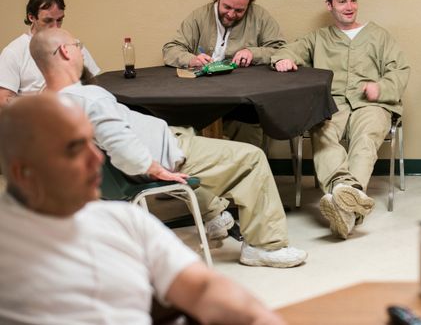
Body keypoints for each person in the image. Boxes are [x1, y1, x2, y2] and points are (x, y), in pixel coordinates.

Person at [0, 93, 286, 324]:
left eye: (92, 140)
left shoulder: (125, 221)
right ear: (24, 173)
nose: (97, 157)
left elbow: (204, 288)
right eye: (75, 148)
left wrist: (260, 318)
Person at [31, 28, 306, 268]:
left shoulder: (48, 103)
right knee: (251, 157)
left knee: (203, 136)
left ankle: (214, 215)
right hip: (165, 153)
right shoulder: (87, 97)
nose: (81, 52)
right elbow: (119, 143)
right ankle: (265, 246)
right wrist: (154, 169)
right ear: (66, 52)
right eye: (78, 46)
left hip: (157, 147)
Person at [271, 0, 410, 239]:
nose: (350, 7)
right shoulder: (318, 38)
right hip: (332, 104)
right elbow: (286, 50)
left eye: (353, 0)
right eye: (342, 1)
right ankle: (347, 194)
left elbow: (400, 70)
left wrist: (381, 87)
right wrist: (284, 59)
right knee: (322, 133)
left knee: (366, 137)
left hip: (372, 104)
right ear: (329, 5)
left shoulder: (379, 35)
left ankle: (344, 202)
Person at [162, 0, 288, 146]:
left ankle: (246, 167)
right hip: (201, 96)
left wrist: (253, 52)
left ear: (248, 6)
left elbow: (280, 49)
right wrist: (192, 59)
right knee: (184, 128)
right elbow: (170, 49)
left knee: (249, 128)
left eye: (239, 10)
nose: (231, 14)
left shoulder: (260, 16)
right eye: (226, 7)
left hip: (241, 97)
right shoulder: (199, 16)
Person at [0, 0, 100, 106]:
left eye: (59, 20)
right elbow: (3, 99)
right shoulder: (14, 52)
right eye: (48, 20)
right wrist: (42, 101)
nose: (55, 27)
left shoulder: (74, 45)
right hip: (38, 119)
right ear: (31, 17)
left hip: (78, 112)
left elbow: (94, 85)